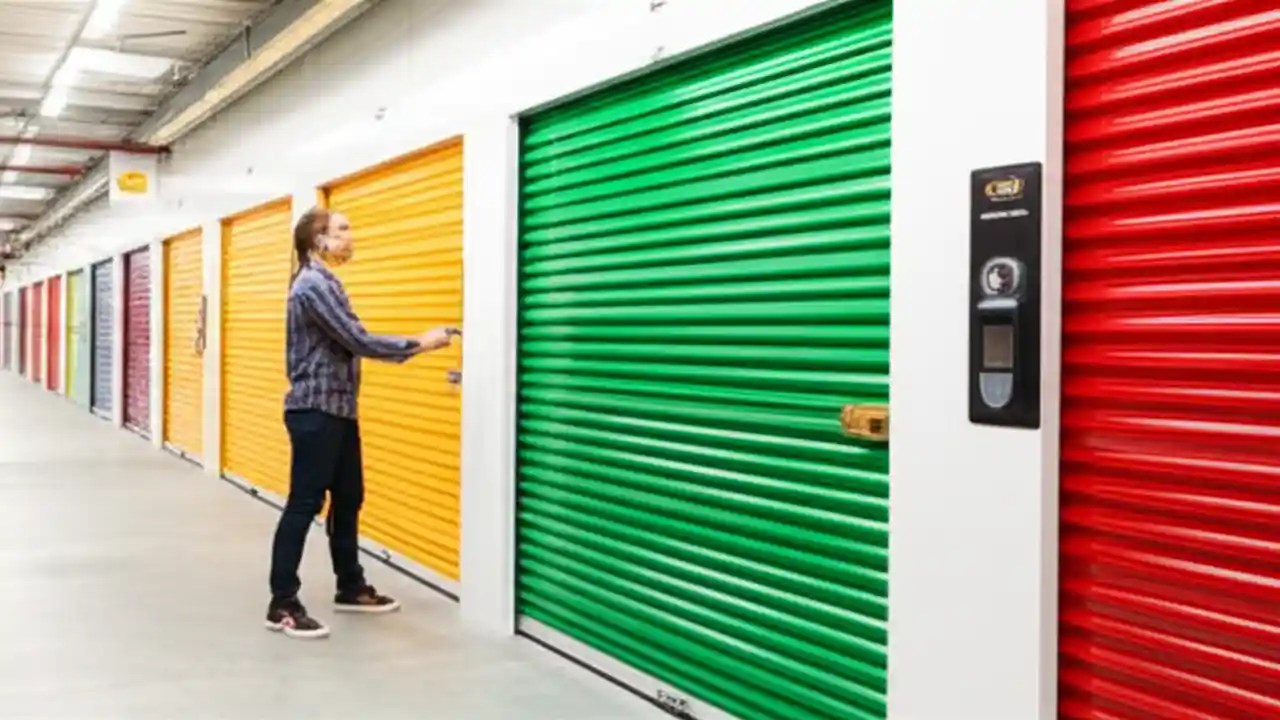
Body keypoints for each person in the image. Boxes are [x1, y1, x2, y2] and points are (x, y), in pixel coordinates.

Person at [265, 206, 456, 639]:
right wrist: (419, 343)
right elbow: (357, 340)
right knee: (304, 503)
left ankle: (350, 585)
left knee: (349, 496)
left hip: (338, 409)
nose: (351, 236)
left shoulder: (325, 281)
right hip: (315, 410)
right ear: (320, 240)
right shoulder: (313, 285)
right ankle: (282, 603)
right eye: (343, 229)